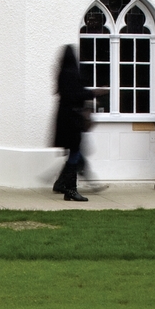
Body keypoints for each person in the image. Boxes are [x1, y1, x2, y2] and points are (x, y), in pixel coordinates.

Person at [51, 44, 92, 202]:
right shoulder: (71, 74)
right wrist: (94, 93)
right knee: (74, 155)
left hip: (66, 120)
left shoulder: (62, 74)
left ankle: (64, 185)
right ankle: (70, 189)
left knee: (74, 155)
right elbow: (76, 95)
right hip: (72, 120)